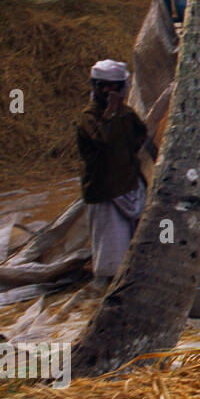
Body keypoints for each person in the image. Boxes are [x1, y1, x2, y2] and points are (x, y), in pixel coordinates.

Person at [77, 59, 148, 290]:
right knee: (112, 252)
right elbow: (104, 140)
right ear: (94, 87)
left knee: (137, 244)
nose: (108, 91)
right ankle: (111, 290)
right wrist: (111, 112)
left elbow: (140, 136)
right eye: (102, 86)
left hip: (128, 185)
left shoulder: (126, 114)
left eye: (113, 87)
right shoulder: (89, 116)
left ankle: (133, 284)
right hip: (105, 191)